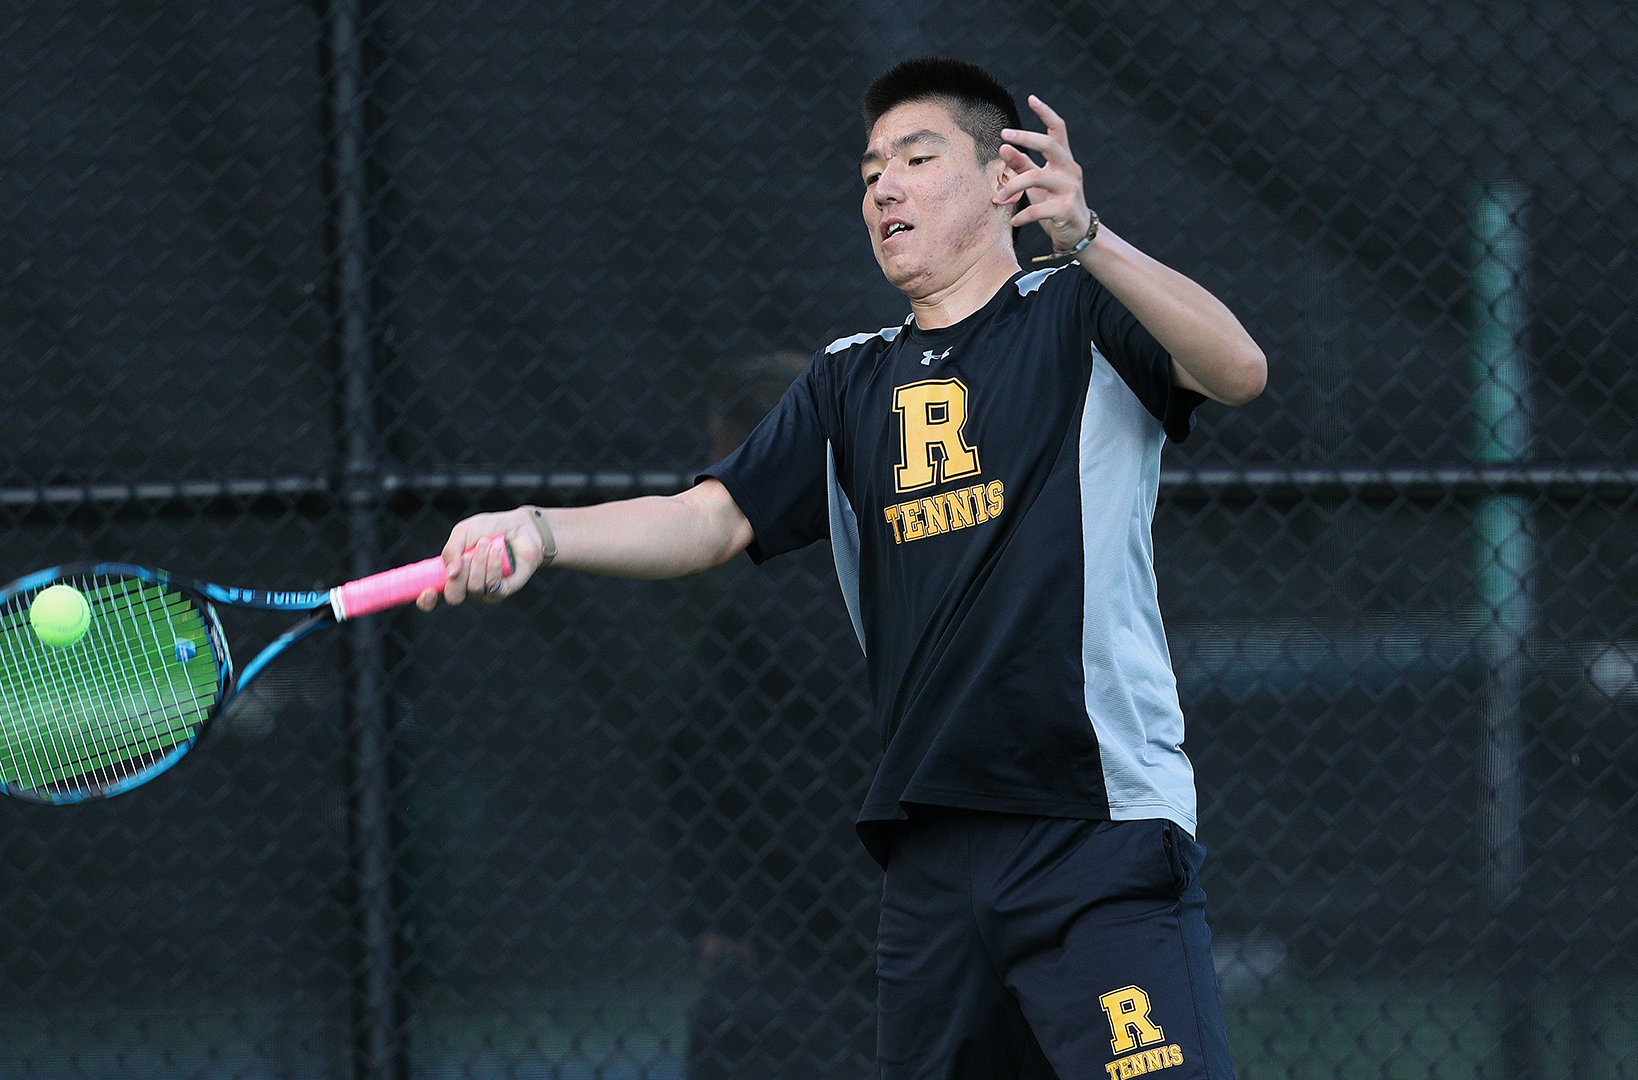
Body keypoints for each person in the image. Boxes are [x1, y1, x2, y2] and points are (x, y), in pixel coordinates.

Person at [418, 56, 1266, 1080]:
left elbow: (1238, 368)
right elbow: (707, 518)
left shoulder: (1081, 316)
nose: (884, 188)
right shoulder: (846, 379)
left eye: (918, 157)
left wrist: (1087, 237)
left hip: (1095, 839)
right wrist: (541, 531)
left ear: (1006, 180)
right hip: (930, 866)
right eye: (871, 172)